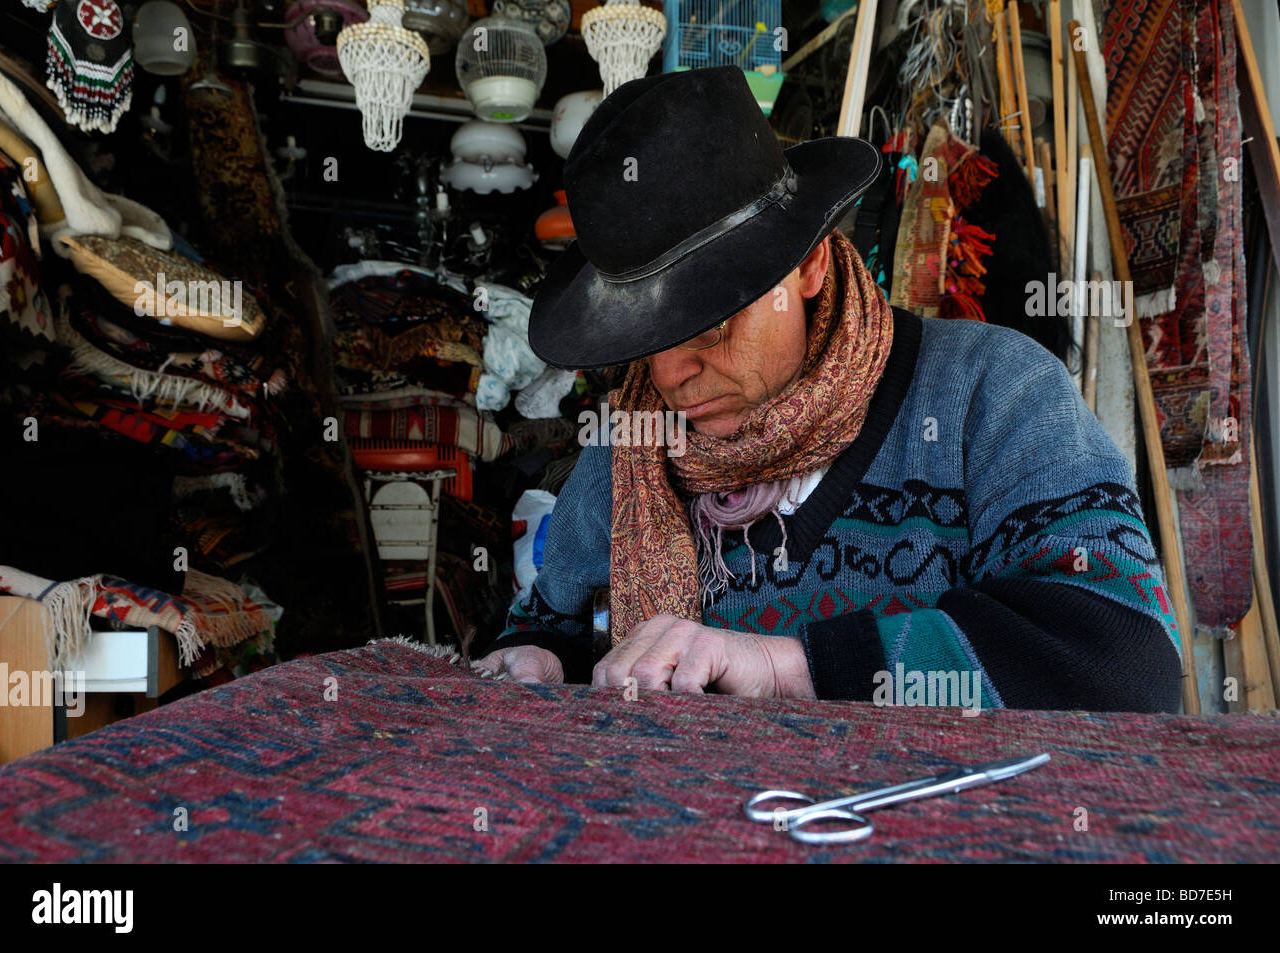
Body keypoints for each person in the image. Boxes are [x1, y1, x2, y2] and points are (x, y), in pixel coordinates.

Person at [475, 66, 1183, 712]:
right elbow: (558, 626)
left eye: (711, 323)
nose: (668, 376)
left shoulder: (992, 393)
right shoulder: (633, 443)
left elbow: (1122, 654)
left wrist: (786, 667)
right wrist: (547, 658)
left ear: (808, 267)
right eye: (645, 342)